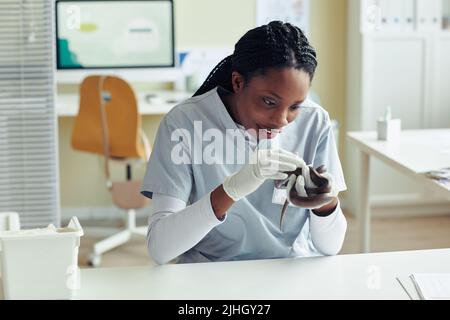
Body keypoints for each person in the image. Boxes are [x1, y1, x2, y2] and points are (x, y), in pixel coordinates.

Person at [141, 21, 347, 265]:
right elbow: (160, 249)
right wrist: (231, 190)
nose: (282, 121)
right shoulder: (185, 123)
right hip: (210, 272)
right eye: (269, 102)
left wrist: (326, 202)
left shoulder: (315, 121)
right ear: (238, 82)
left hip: (288, 270)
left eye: (294, 107)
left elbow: (331, 247)